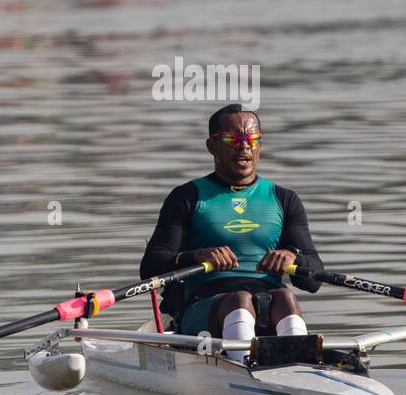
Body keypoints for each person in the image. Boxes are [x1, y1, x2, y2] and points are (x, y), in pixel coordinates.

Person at [139, 105, 324, 360]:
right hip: (203, 309)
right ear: (211, 145)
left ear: (260, 144)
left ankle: (299, 368)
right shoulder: (187, 197)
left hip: (268, 304)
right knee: (239, 300)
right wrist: (197, 256)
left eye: (252, 139)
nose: (244, 146)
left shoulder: (284, 199)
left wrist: (295, 259)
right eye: (232, 139)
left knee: (286, 297)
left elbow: (314, 279)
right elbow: (150, 268)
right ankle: (248, 370)